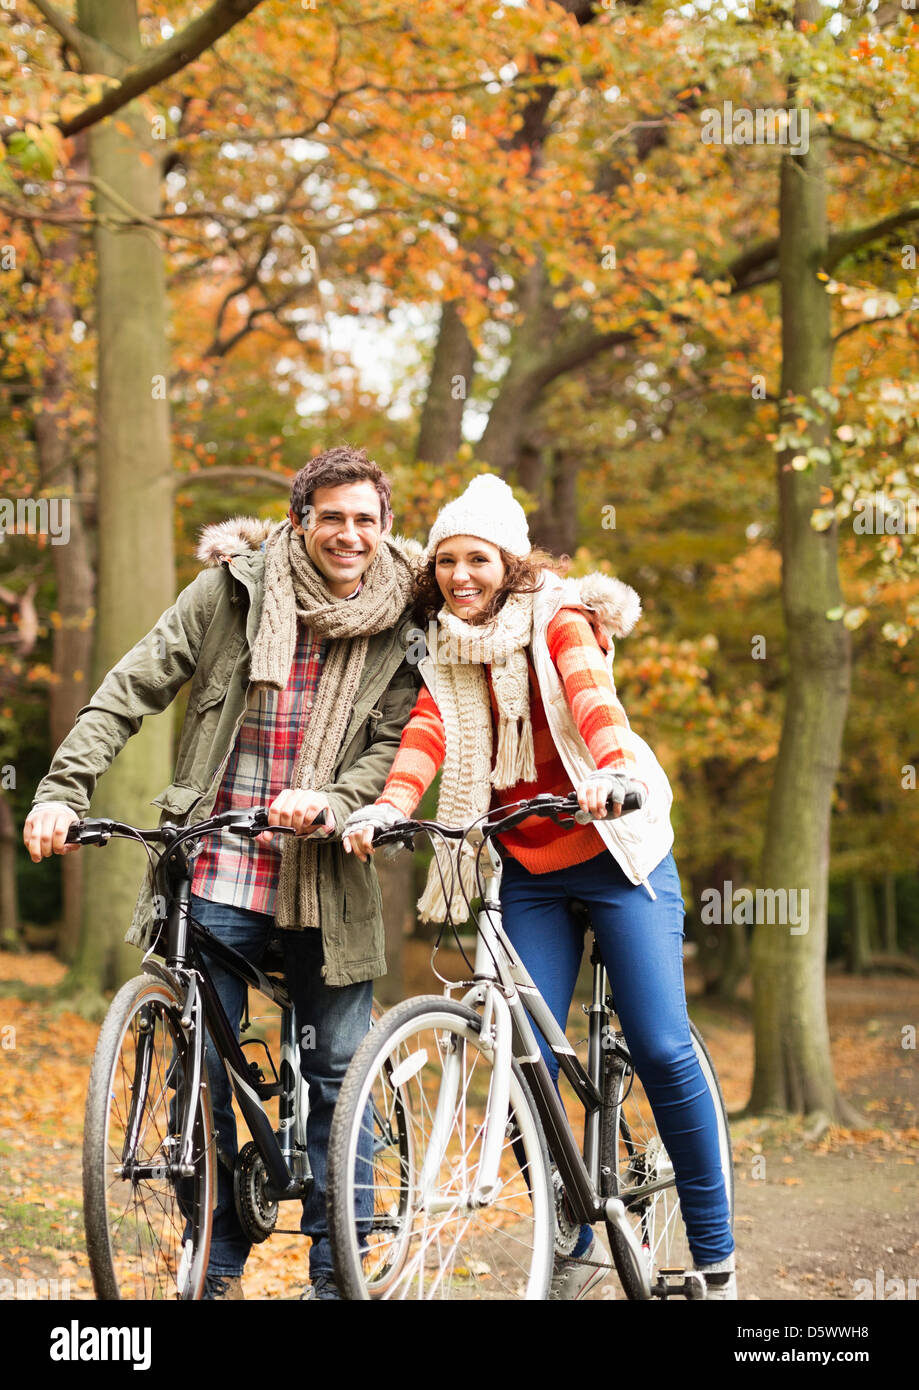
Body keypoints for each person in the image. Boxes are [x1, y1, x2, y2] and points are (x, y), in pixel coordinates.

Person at [23, 445, 420, 1300]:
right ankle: (213, 1264)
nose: (348, 534)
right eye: (332, 517)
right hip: (214, 865)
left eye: (365, 519)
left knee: (336, 1076)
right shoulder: (230, 594)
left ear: (385, 529)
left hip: (327, 876)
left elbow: (394, 743)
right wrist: (59, 791)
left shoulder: (404, 619)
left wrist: (334, 799)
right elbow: (130, 686)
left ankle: (335, 1277)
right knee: (199, 1077)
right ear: (298, 522)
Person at [341, 472, 736, 1301]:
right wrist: (386, 808)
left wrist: (615, 771)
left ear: (510, 562)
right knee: (523, 1053)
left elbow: (593, 702)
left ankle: (715, 1257)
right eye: (446, 562)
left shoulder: (557, 619)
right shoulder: (444, 646)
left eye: (476, 559)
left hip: (616, 853)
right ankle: (575, 1239)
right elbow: (426, 732)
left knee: (662, 1045)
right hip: (526, 867)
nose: (460, 576)